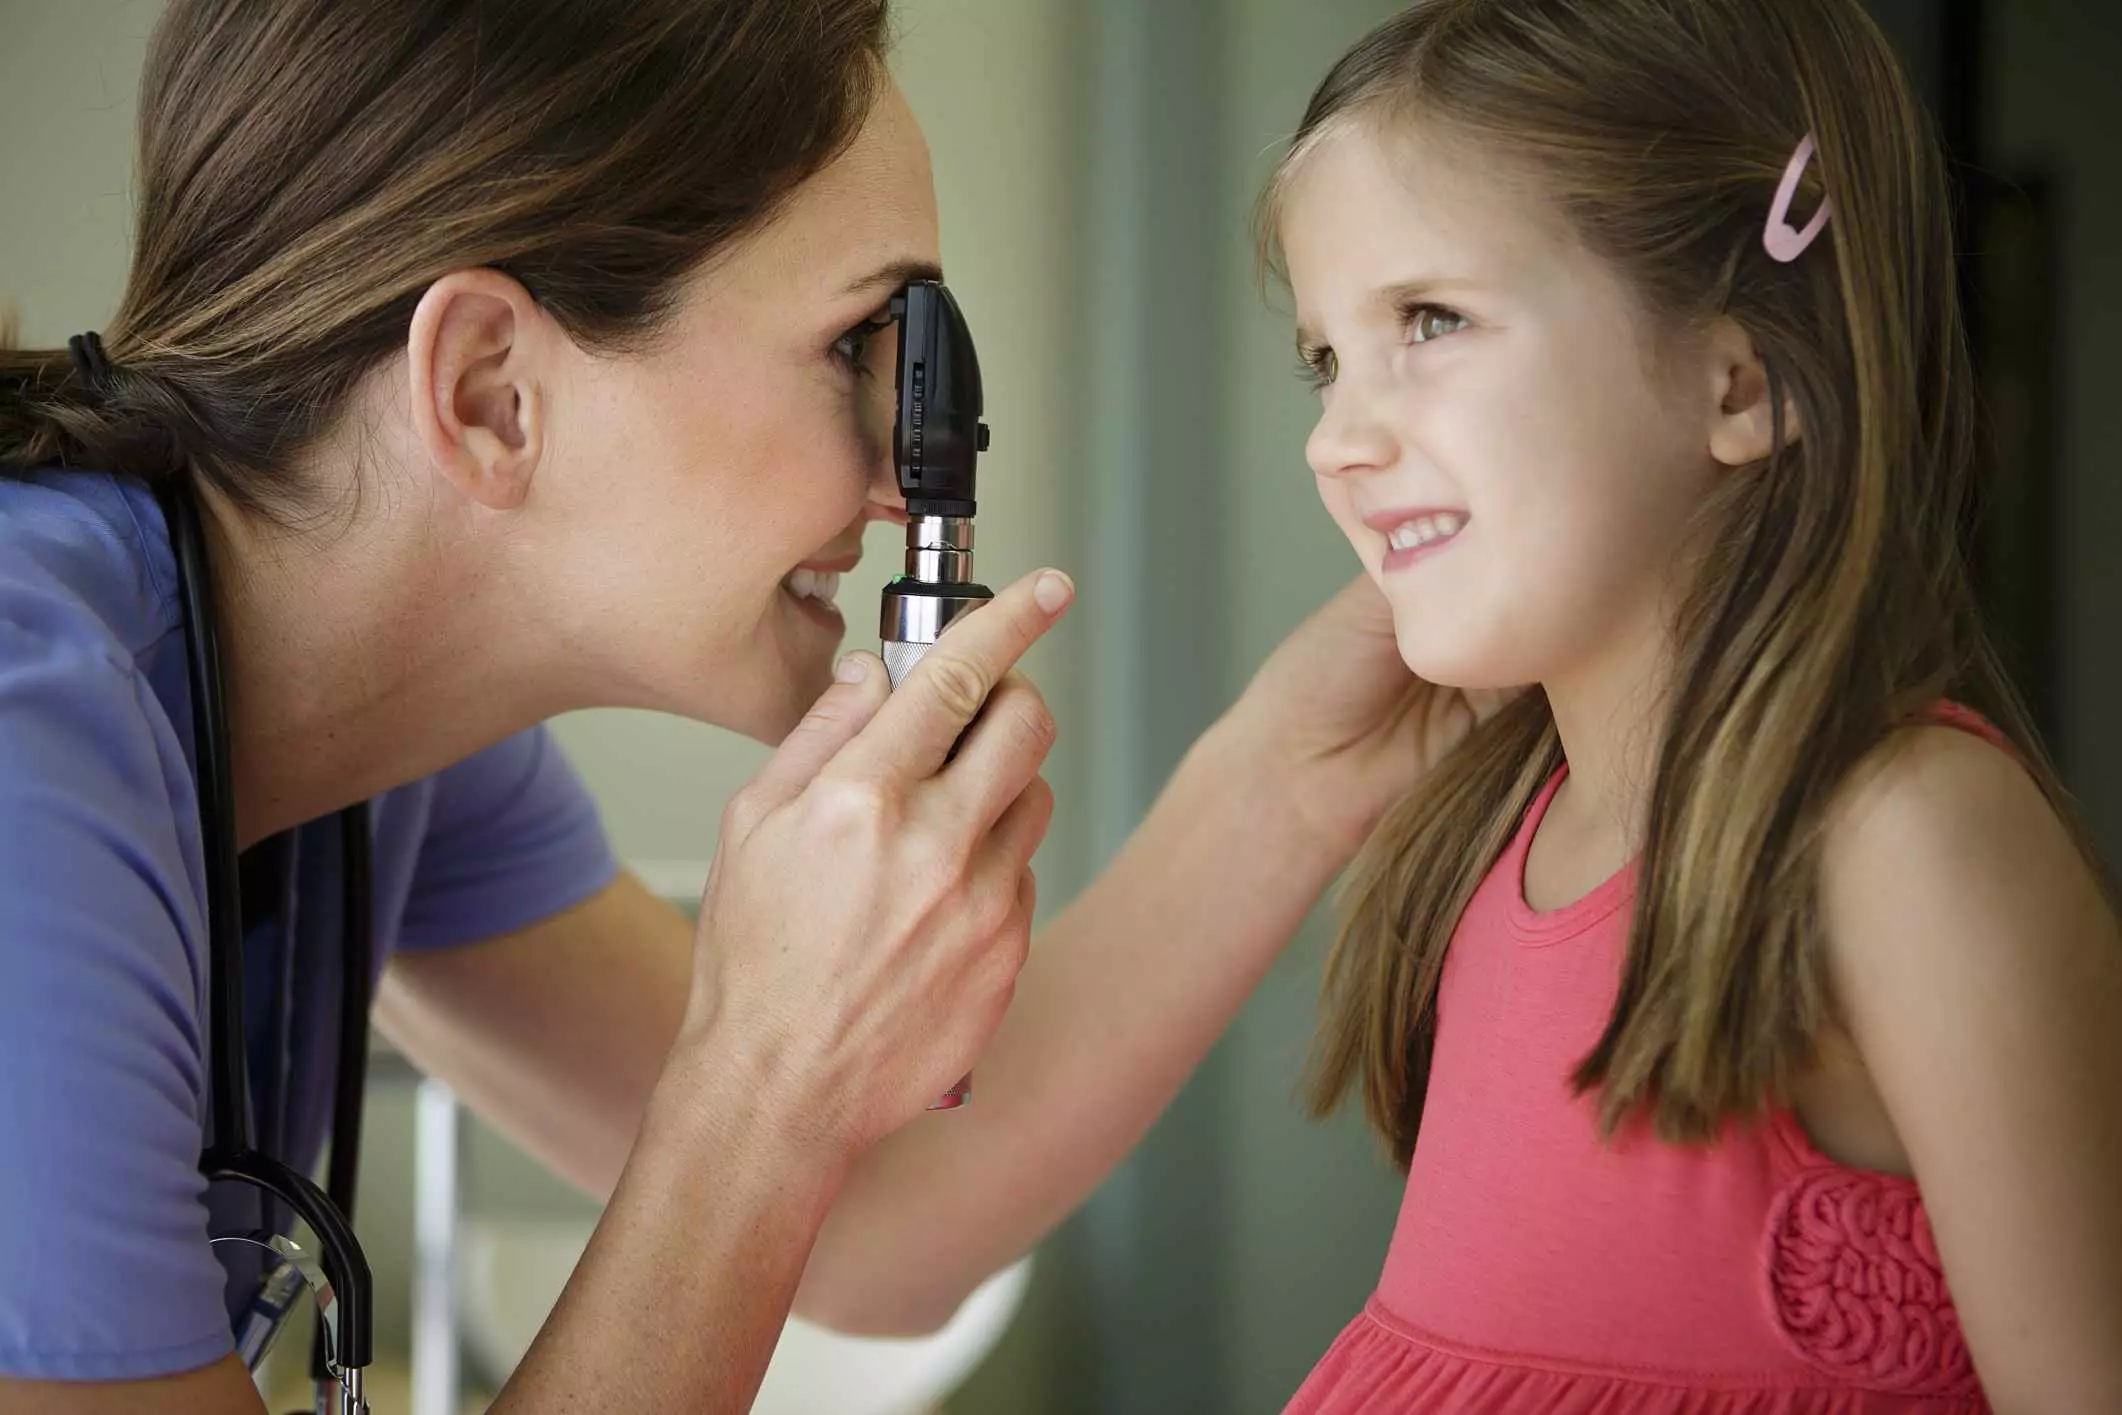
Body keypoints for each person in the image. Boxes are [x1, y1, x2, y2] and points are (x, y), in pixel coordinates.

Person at [0, 1, 1442, 1410]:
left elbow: (888, 1219)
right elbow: (795, 1172)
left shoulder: (391, 755)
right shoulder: (27, 747)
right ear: (492, 392)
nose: (900, 477)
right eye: (849, 350)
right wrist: (758, 1082)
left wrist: (1303, 763)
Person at [1238, 1, 2122, 1412]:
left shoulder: (1907, 844)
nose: (1337, 439)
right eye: (1324, 358)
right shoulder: (1468, 846)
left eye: (1430, 320)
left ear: (1739, 377)